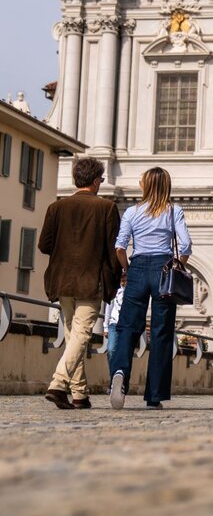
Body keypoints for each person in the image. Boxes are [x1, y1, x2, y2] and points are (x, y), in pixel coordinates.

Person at [38, 157, 121, 409]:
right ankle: (58, 383)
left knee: (73, 335)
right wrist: (116, 279)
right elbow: (112, 249)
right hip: (90, 280)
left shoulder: (56, 207)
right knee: (82, 335)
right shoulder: (106, 208)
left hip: (62, 280)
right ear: (96, 181)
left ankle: (80, 394)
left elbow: (43, 245)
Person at [110, 167, 191, 410]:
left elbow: (120, 247)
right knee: (161, 332)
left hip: (137, 269)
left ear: (145, 185)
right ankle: (154, 396)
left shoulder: (132, 212)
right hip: (163, 269)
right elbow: (185, 245)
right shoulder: (173, 211)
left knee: (127, 327)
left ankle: (120, 371)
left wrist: (126, 270)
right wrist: (177, 267)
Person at [103, 280, 126, 376]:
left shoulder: (131, 289)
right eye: (121, 279)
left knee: (123, 352)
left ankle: (120, 378)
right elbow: (108, 308)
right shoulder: (115, 289)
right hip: (114, 323)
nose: (123, 281)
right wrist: (105, 327)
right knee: (111, 349)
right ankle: (113, 376)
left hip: (126, 325)